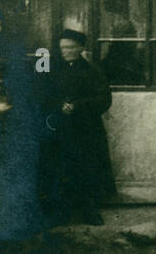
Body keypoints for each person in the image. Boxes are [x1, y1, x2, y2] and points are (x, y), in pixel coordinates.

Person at [39, 29, 115, 226]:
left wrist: (78, 106)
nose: (66, 51)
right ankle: (61, 213)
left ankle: (90, 211)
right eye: (63, 48)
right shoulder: (51, 69)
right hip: (58, 128)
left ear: (81, 48)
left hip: (85, 129)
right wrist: (59, 105)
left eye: (71, 47)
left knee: (87, 169)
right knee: (59, 169)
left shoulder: (92, 70)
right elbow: (41, 95)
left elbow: (104, 99)